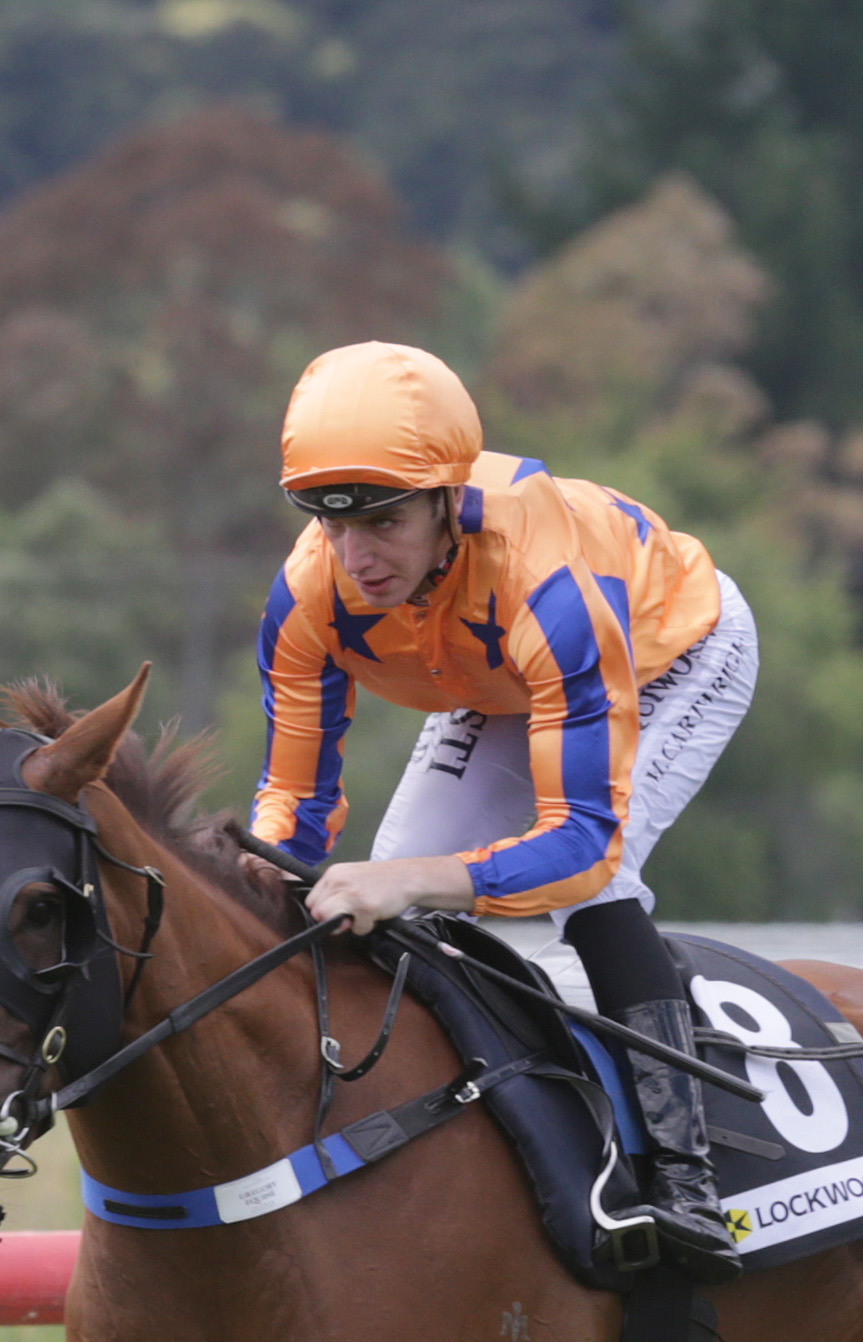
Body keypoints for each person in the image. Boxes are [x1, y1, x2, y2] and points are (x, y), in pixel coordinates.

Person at [247, 339, 760, 1278]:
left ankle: (687, 1173)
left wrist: (409, 880)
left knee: (589, 889)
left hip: (670, 650)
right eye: (328, 521)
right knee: (383, 904)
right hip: (497, 680)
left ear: (448, 497)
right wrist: (259, 875)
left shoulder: (548, 584)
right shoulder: (307, 595)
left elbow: (579, 846)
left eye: (383, 522)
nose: (356, 557)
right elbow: (294, 806)